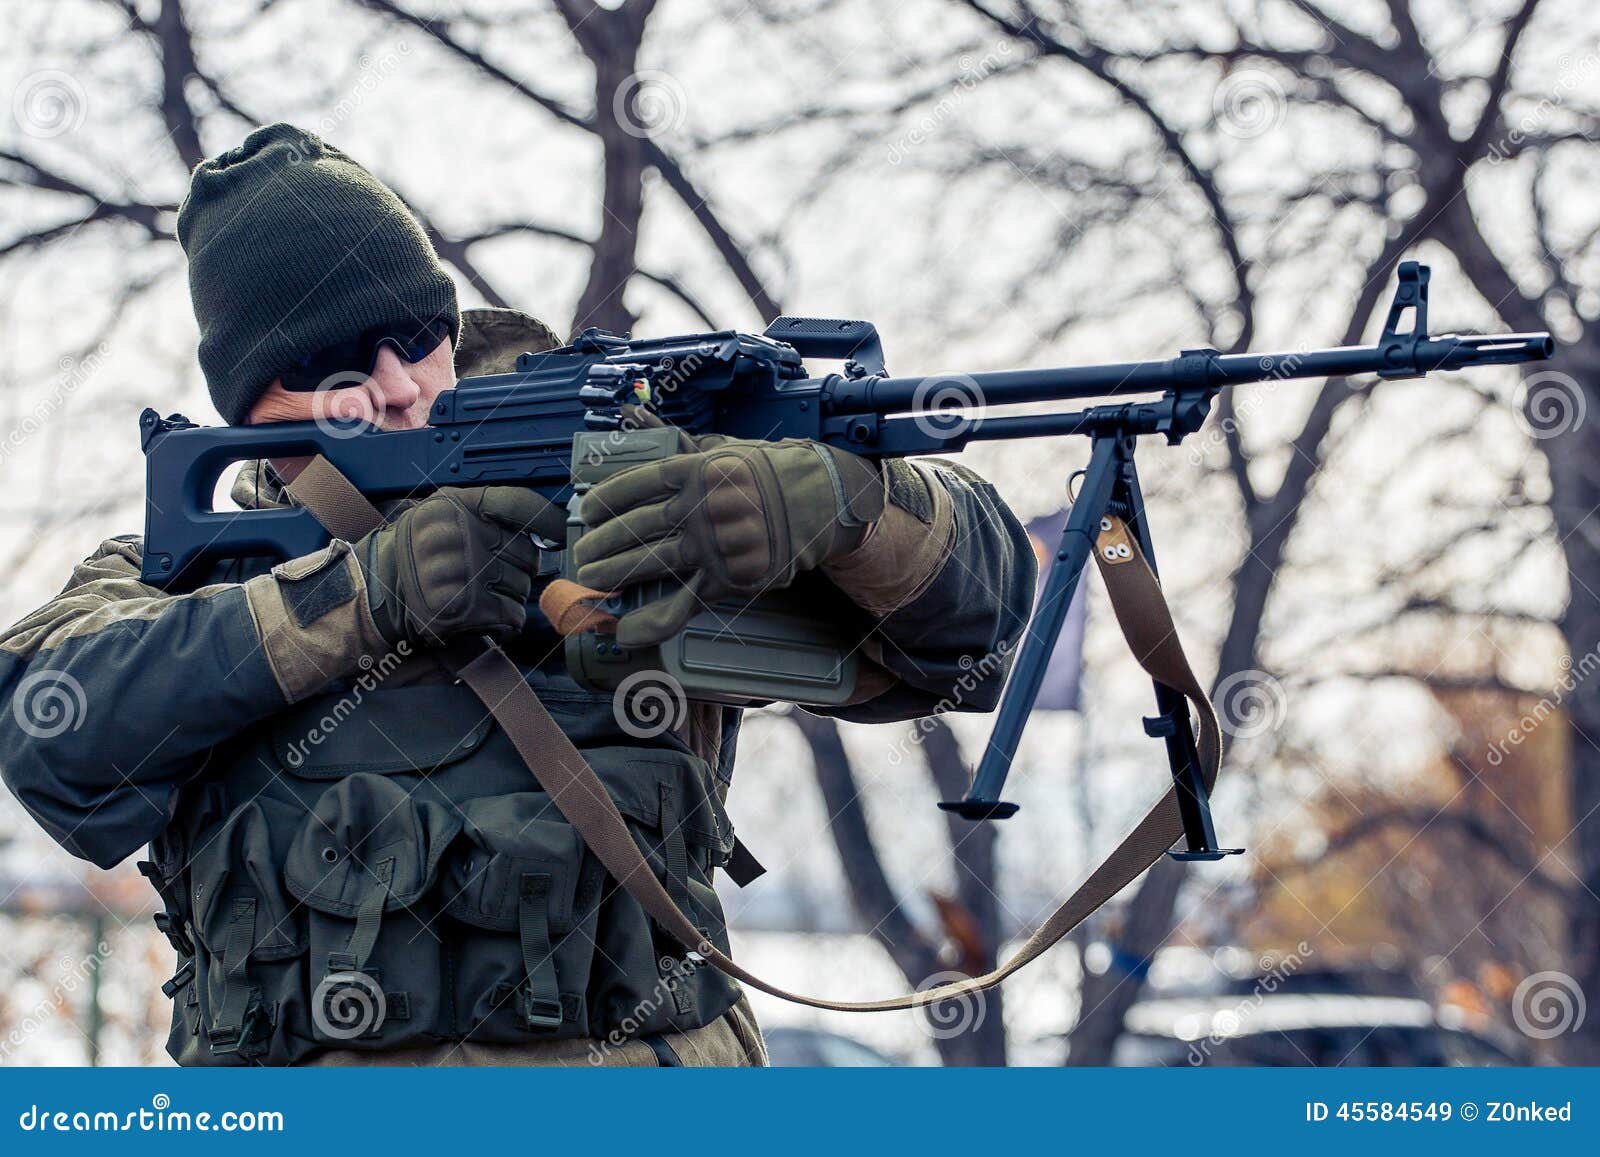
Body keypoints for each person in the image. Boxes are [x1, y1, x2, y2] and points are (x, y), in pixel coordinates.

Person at [0, 124, 1036, 1066]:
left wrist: (852, 502)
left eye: (417, 333)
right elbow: (51, 732)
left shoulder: (617, 521)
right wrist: (366, 595)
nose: (401, 383)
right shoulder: (183, 575)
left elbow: (973, 645)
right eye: (334, 362)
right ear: (249, 397)